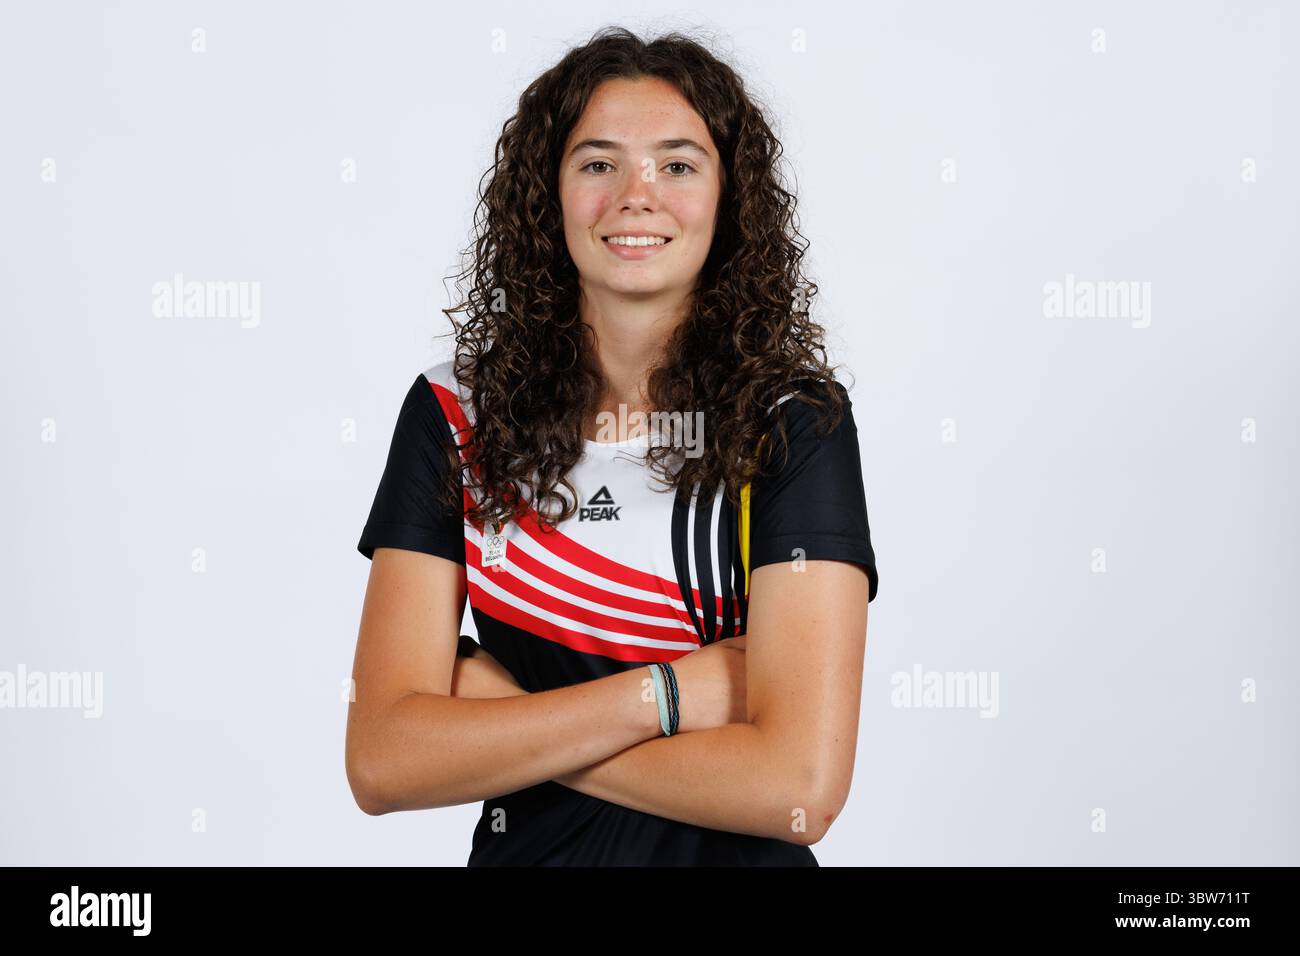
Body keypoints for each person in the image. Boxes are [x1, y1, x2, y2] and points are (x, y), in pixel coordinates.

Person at [346, 25, 879, 866]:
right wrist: (666, 694)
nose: (637, 195)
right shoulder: (454, 413)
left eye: (677, 165)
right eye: (598, 163)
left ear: (727, 198)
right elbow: (383, 762)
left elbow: (798, 790)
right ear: (546, 195)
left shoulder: (791, 421)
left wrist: (508, 717)